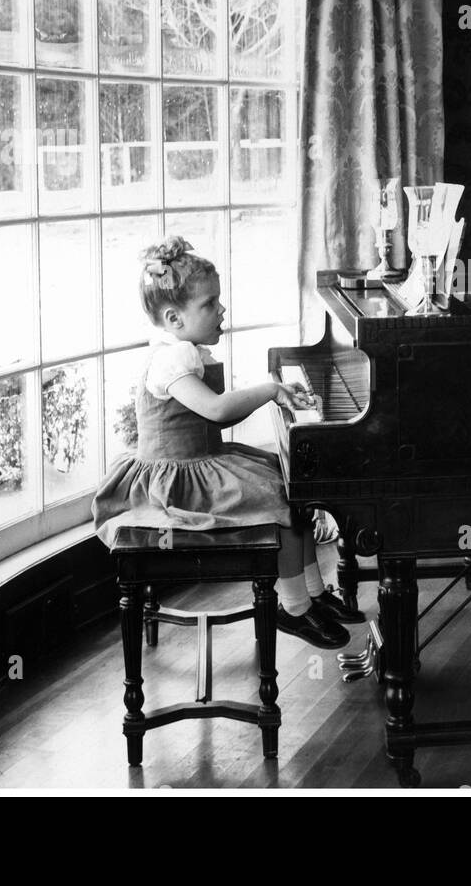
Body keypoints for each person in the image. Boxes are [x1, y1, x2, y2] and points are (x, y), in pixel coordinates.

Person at [92, 236, 362, 650]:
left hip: (200, 460)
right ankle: (292, 609)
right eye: (210, 303)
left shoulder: (183, 349)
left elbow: (224, 412)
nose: (222, 310)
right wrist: (271, 391)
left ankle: (314, 593)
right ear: (174, 317)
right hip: (177, 484)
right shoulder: (172, 359)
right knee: (279, 496)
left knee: (293, 484)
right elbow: (218, 411)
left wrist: (274, 393)